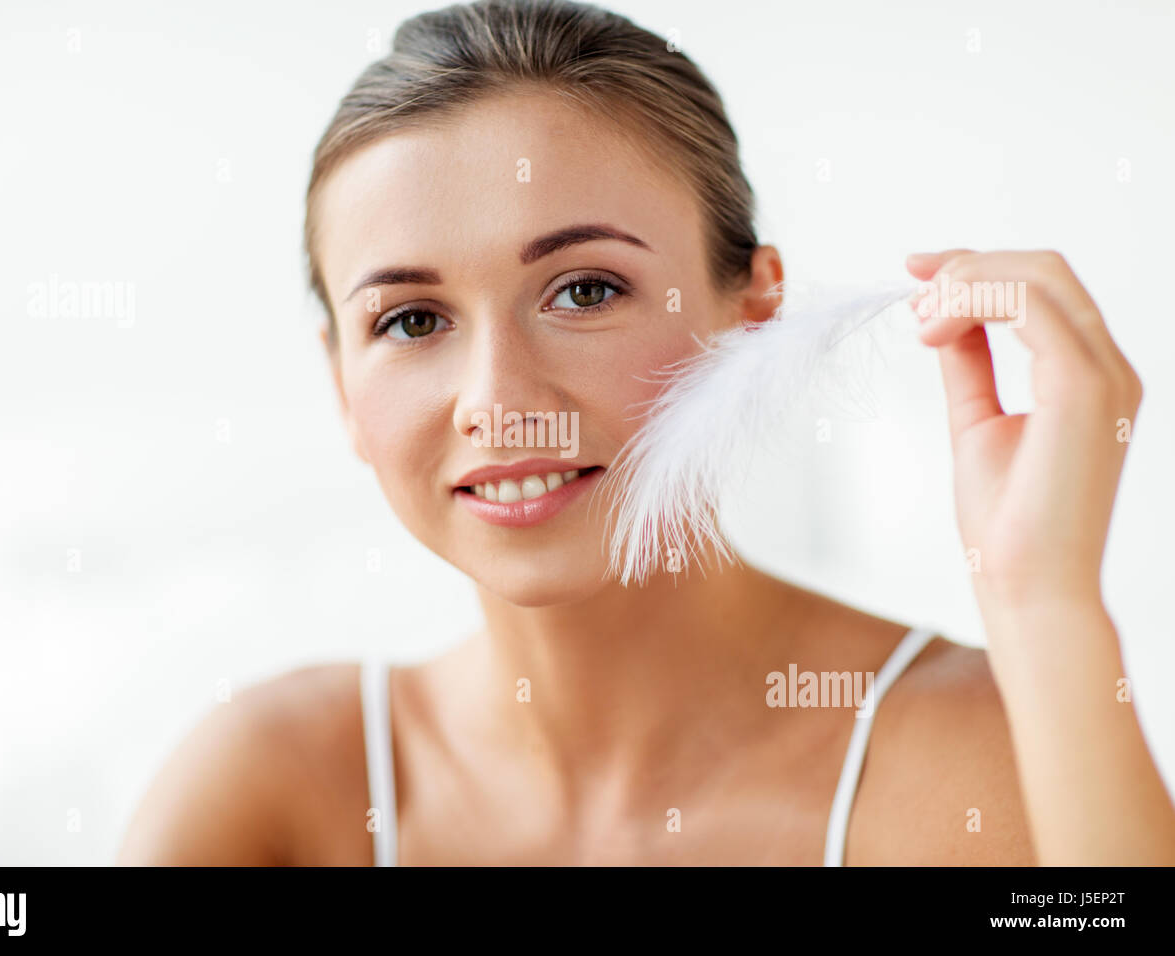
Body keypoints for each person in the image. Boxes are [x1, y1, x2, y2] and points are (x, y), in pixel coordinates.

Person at [116, 0, 1170, 865]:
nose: (497, 398)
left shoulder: (972, 758)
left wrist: (1044, 598)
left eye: (583, 289)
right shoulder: (271, 788)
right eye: (410, 319)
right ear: (342, 383)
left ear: (753, 309)